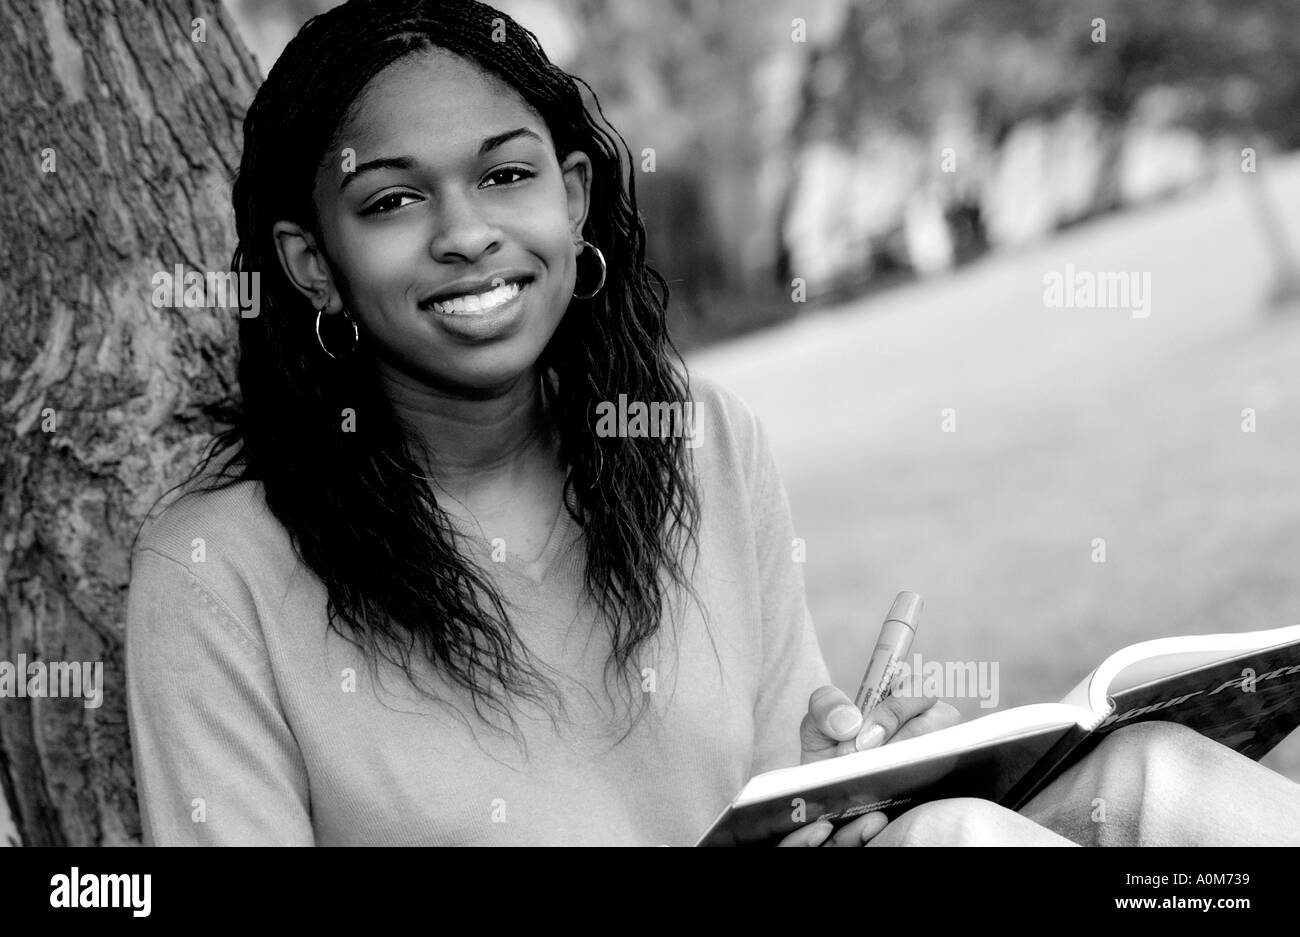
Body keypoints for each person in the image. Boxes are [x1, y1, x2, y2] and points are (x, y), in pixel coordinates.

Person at [125, 0, 1300, 847]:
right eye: (391, 200)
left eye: (505, 176)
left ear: (573, 197)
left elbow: (782, 768)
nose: (465, 232)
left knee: (1146, 784)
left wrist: (854, 770)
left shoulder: (690, 440)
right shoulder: (215, 574)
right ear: (313, 266)